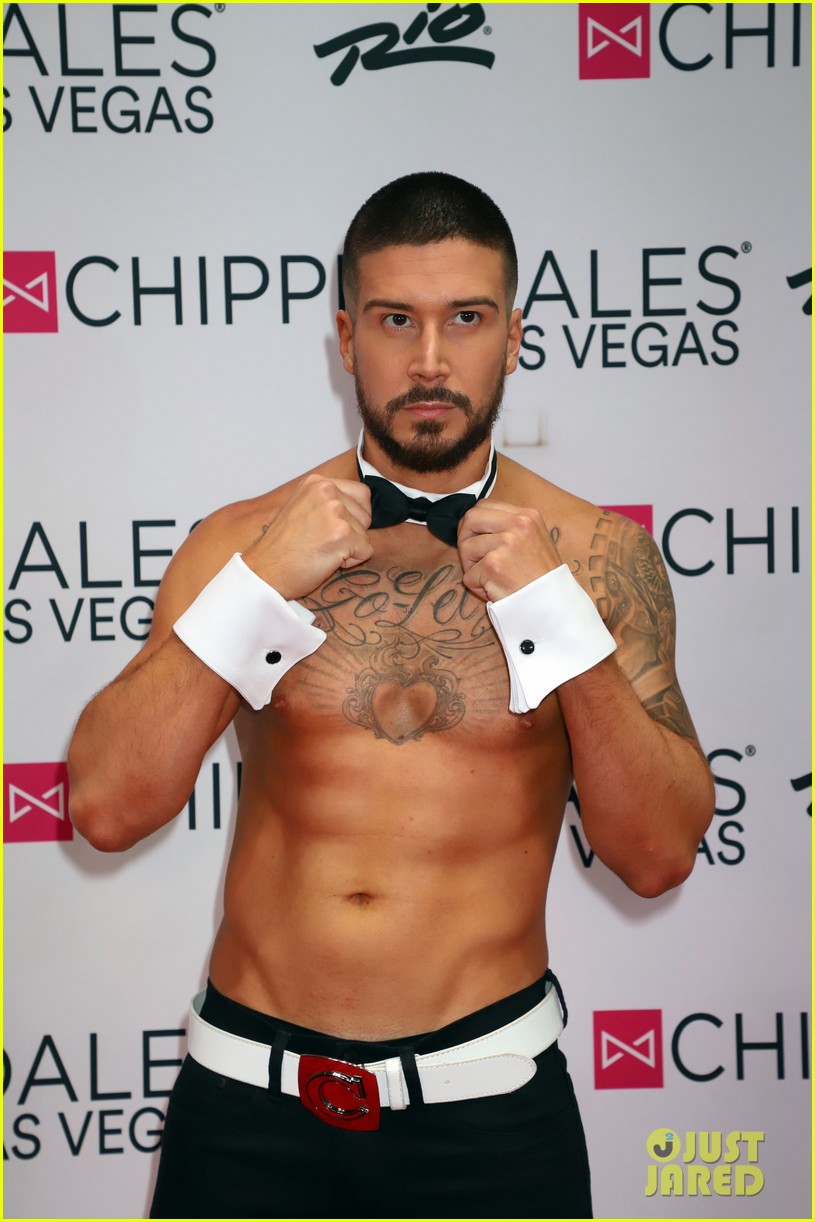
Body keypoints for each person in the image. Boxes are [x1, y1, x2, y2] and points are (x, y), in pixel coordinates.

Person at [67, 172, 714, 1219]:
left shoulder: (598, 558)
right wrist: (257, 588)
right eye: (394, 320)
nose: (428, 361)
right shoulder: (241, 541)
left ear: (513, 336)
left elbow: (656, 855)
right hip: (244, 1111)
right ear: (344, 337)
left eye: (466, 319)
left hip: (490, 1116)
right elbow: (105, 806)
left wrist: (561, 623)